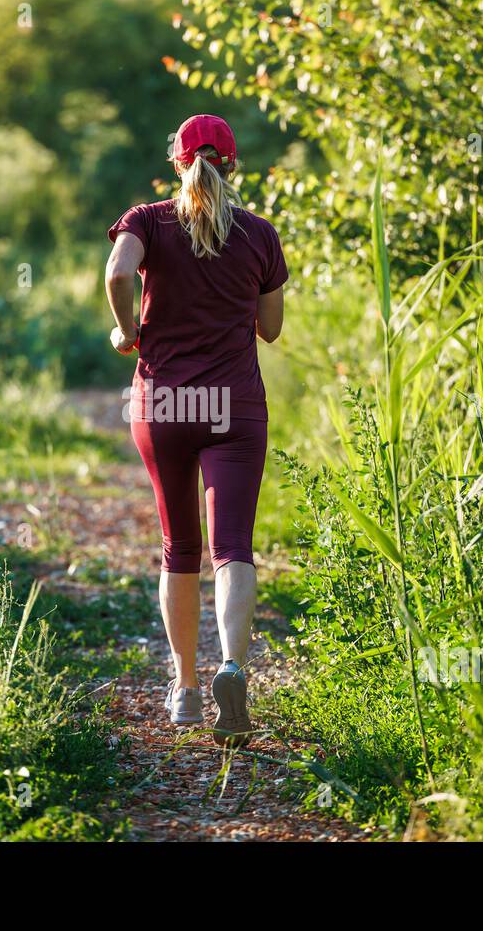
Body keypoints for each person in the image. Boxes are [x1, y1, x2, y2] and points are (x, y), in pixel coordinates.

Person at [104, 114, 287, 745]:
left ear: (177, 163)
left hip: (164, 406)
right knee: (231, 544)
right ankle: (233, 667)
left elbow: (117, 274)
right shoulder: (260, 235)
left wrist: (128, 332)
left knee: (178, 548)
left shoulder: (148, 222)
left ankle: (184, 688)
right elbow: (270, 329)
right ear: (232, 166)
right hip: (234, 406)